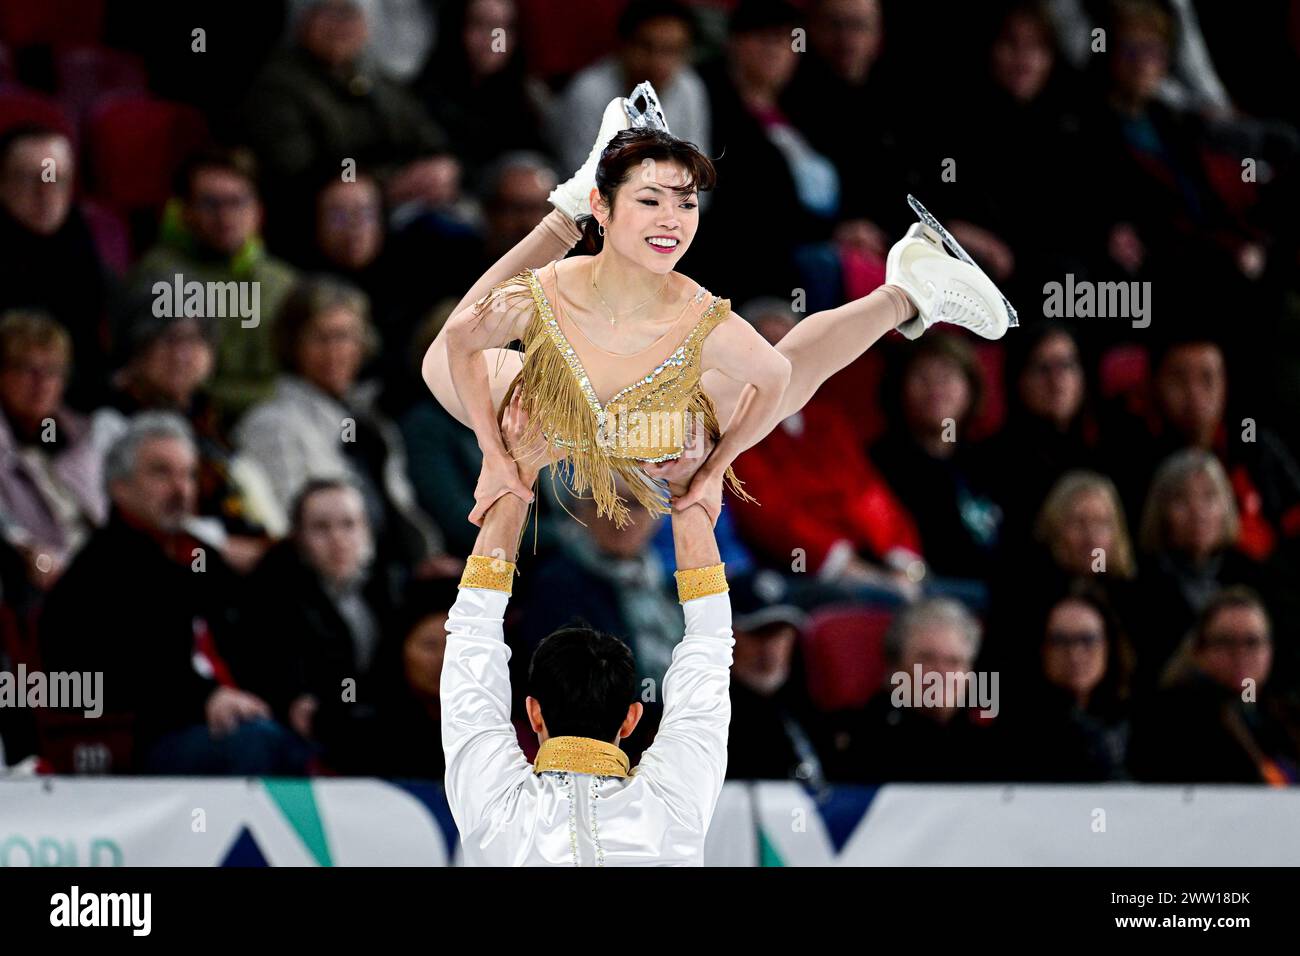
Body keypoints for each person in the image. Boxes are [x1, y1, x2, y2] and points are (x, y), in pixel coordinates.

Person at [422, 85, 1013, 533]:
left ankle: (911, 290)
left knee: (768, 390)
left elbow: (779, 373)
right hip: (599, 403)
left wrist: (710, 470)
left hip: (617, 382)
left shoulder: (678, 314)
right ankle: (912, 289)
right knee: (451, 368)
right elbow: (461, 344)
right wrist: (500, 459)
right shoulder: (547, 396)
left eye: (683, 203)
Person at [441, 393, 735, 866]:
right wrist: (691, 491)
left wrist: (517, 473)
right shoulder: (671, 807)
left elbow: (472, 639)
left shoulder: (495, 805)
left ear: (533, 715)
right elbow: (709, 647)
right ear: (631, 719)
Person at [38, 413, 306, 774]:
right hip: (143, 740)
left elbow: (258, 639)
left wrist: (294, 700)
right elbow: (120, 672)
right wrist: (204, 699)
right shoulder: (100, 570)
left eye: (188, 474)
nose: (181, 489)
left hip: (230, 722)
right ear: (119, 487)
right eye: (161, 473)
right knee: (263, 744)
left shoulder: (196, 556)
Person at [234, 276, 448, 578]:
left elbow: (403, 514)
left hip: (397, 576)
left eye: (346, 336)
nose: (336, 351)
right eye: (321, 338)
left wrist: (427, 561)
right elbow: (291, 529)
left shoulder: (373, 423)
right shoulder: (271, 426)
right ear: (292, 345)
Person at [91, 310, 284, 570]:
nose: (181, 355)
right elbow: (124, 510)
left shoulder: (210, 422)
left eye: (195, 341)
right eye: (168, 340)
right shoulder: (114, 422)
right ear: (137, 350)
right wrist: (219, 546)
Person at [127, 147, 298, 424]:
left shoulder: (283, 282)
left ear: (258, 210)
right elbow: (171, 383)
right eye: (210, 203)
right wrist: (273, 398)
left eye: (237, 202)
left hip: (282, 421)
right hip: (186, 423)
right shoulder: (159, 276)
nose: (225, 216)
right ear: (185, 211)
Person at [240, 477, 399, 745]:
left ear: (367, 532)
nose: (337, 539)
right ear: (299, 538)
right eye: (321, 528)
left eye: (349, 525)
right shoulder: (274, 597)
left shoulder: (391, 588)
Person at [1128, 586, 1300, 783]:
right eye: (1225, 642)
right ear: (1199, 651)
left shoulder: (1283, 715)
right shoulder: (1174, 719)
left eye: (1252, 642)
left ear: (1269, 650)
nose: (1240, 654)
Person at [1132, 448, 1270, 686]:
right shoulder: (1140, 587)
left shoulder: (1256, 577)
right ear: (1161, 512)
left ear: (1226, 506)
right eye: (1181, 499)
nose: (1197, 511)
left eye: (1209, 497)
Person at [826, 597, 1002, 783]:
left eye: (954, 662)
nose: (941, 672)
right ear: (895, 667)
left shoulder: (989, 742)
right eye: (926, 659)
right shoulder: (864, 737)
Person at [0, 125, 111, 408]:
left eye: (57, 179)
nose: (46, 192)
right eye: (31, 179)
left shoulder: (77, 236)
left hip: (75, 405)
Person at [0, 311, 107, 592]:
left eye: (53, 370)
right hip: (40, 582)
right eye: (26, 368)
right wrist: (28, 554)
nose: (41, 382)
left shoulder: (83, 437)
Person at [549, 0, 709, 176]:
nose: (658, 62)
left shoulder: (689, 87)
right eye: (647, 47)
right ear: (623, 45)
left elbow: (697, 171)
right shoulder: (588, 92)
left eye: (671, 50)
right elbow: (581, 176)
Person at [997, 582, 1133, 782]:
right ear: (1042, 650)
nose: (1074, 654)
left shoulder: (1136, 718)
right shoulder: (1017, 728)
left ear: (1108, 646)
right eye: (1060, 641)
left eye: (1087, 640)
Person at [723, 571, 830, 786]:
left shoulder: (808, 705)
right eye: (758, 634)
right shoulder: (708, 719)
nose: (770, 650)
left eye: (780, 633)